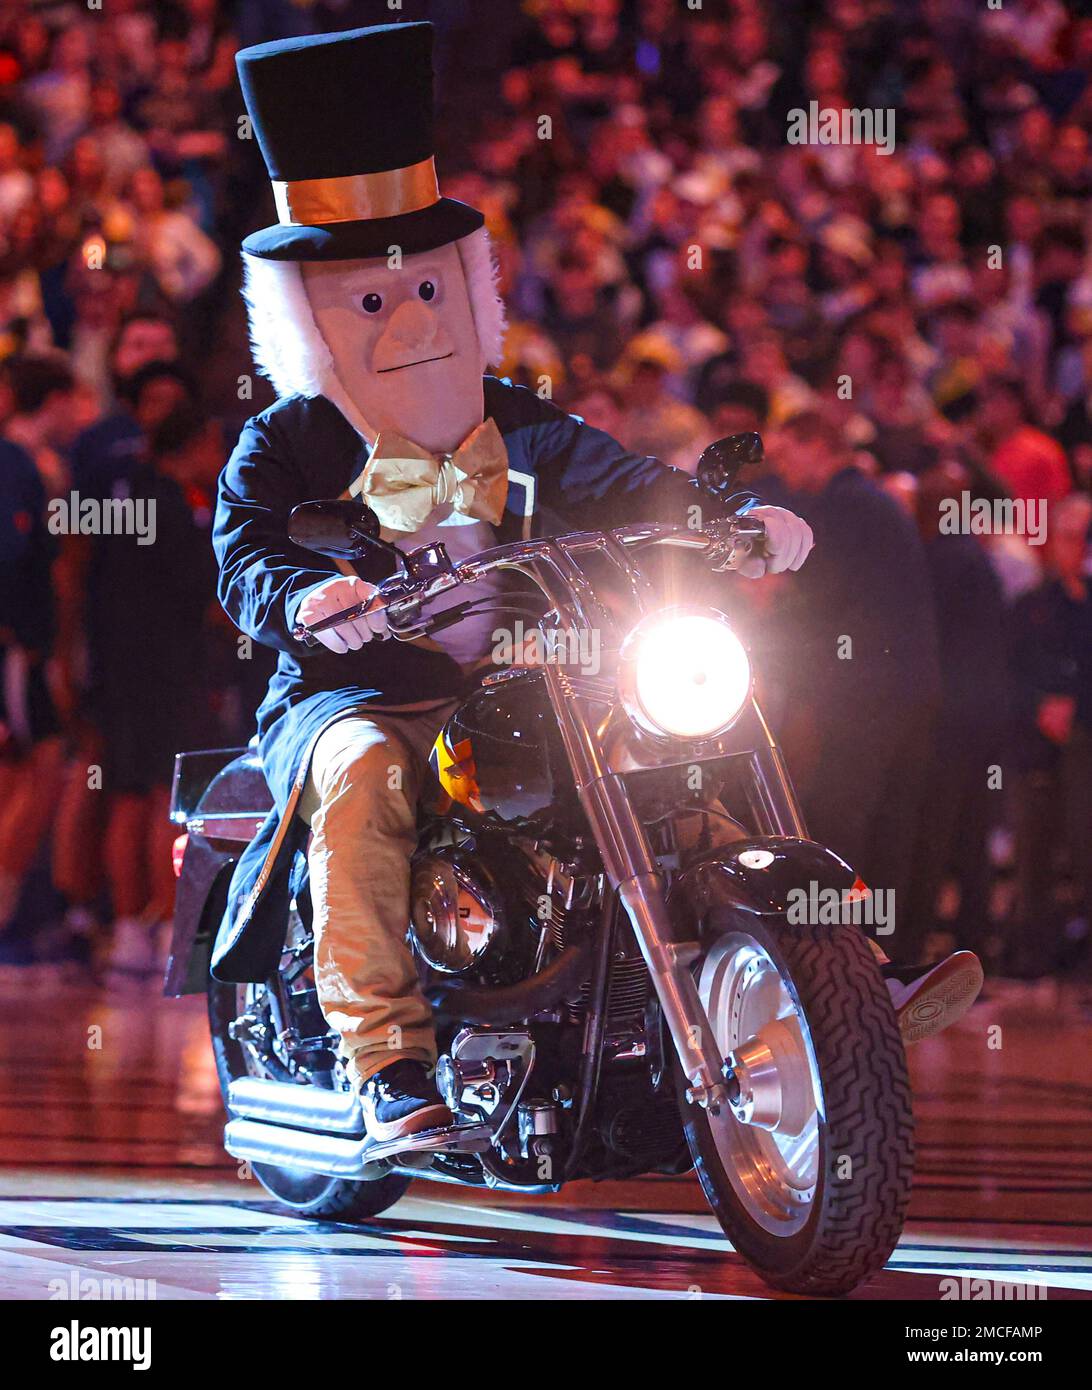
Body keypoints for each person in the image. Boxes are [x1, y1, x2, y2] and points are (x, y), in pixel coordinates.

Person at [212, 24, 956, 1146]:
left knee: (675, 760)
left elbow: (617, 479)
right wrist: (304, 600)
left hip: (517, 682)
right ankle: (386, 1063)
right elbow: (245, 554)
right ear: (308, 310)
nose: (408, 315)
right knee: (364, 780)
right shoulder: (283, 443)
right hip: (350, 695)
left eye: (424, 284)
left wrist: (726, 523)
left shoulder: (508, 414)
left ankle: (837, 973)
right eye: (370, 295)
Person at [759, 411, 984, 1026]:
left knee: (838, 822)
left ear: (816, 446)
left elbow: (815, 599)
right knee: (892, 824)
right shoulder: (876, 502)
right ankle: (894, 965)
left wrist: (767, 620)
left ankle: (843, 962)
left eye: (789, 456)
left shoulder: (843, 506)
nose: (787, 473)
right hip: (910, 689)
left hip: (867, 692)